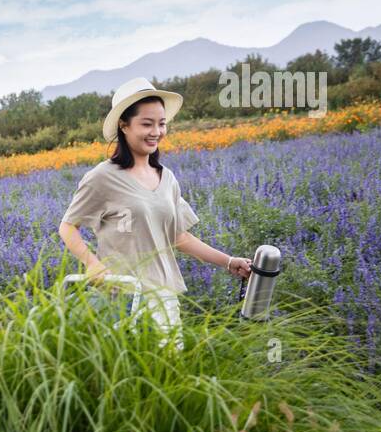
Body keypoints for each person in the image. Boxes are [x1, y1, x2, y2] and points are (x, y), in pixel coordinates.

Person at [57, 77, 253, 350]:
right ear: (124, 125)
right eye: (147, 124)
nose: (156, 132)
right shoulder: (103, 177)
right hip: (122, 297)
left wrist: (229, 262)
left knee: (169, 369)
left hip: (165, 297)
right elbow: (68, 227)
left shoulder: (167, 178)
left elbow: (178, 237)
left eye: (161, 124)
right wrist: (92, 263)